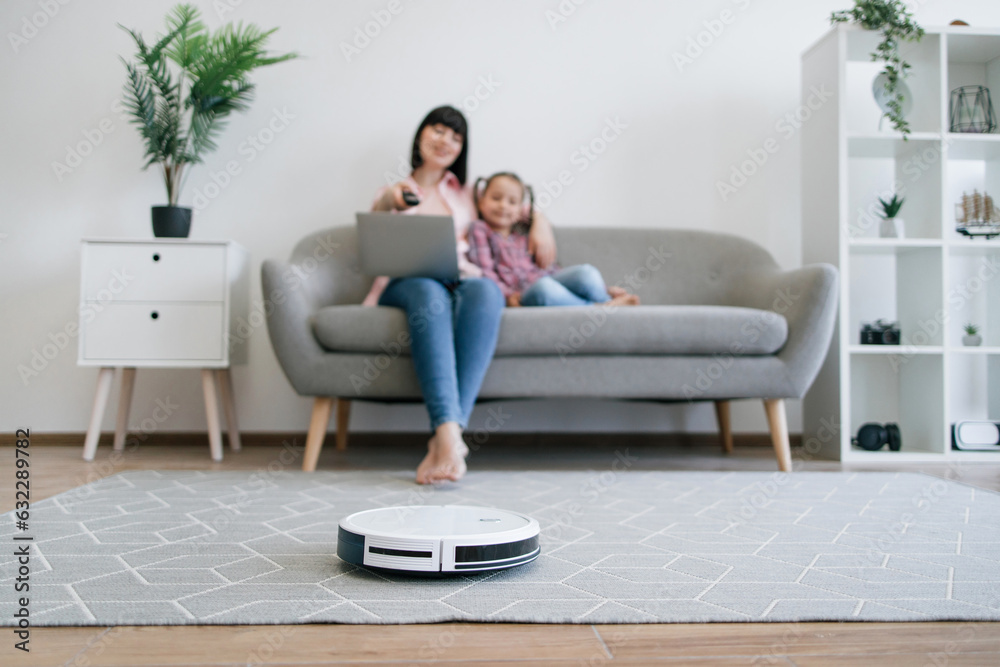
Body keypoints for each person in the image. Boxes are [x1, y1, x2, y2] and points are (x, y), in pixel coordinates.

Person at [361, 106, 557, 484]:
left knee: (486, 291)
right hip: (408, 284)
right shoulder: (394, 190)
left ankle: (444, 438)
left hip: (462, 282)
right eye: (438, 130)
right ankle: (451, 436)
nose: (445, 141)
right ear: (421, 135)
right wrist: (392, 200)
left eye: (455, 137)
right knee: (427, 292)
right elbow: (379, 218)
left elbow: (519, 207)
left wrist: (542, 223)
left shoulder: (470, 194)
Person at [466, 171, 639, 308]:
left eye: (512, 202)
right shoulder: (479, 229)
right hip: (523, 293)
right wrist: (507, 295)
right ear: (481, 202)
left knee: (586, 272)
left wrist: (604, 289)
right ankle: (598, 309)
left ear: (520, 209)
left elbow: (550, 270)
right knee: (545, 289)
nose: (503, 205)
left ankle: (606, 299)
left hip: (547, 279)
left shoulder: (524, 231)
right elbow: (485, 272)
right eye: (496, 198)